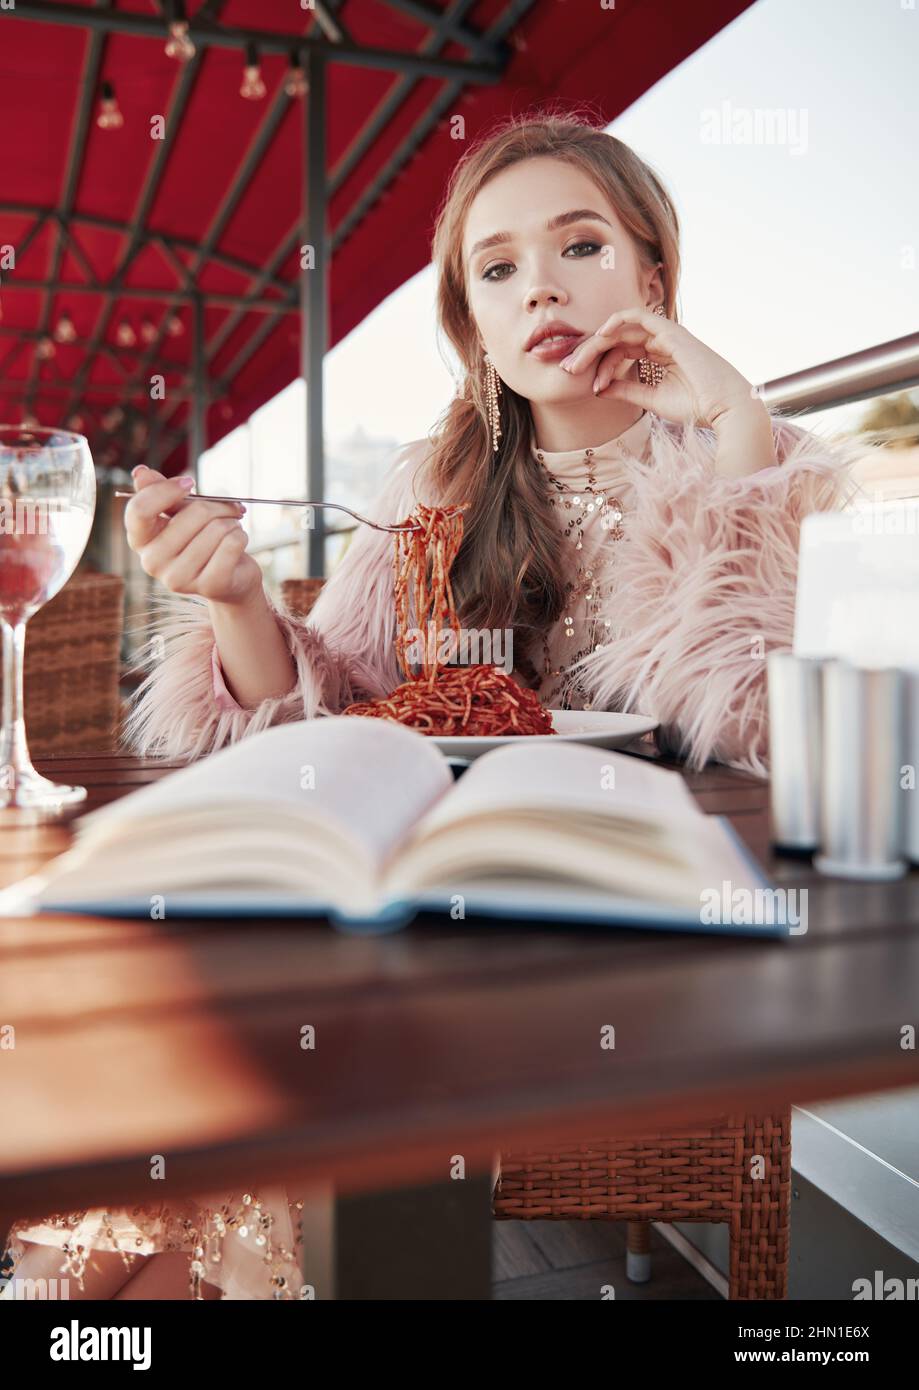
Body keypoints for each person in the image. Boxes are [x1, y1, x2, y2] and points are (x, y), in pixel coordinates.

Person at [1, 108, 865, 1299]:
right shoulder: (435, 491)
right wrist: (240, 600)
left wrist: (732, 425)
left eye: (579, 248)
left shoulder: (765, 470)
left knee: (238, 1083)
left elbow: (770, 720)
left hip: (641, 926)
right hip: (423, 920)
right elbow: (326, 729)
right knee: (222, 1058)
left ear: (650, 275)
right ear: (475, 328)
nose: (539, 291)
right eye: (496, 271)